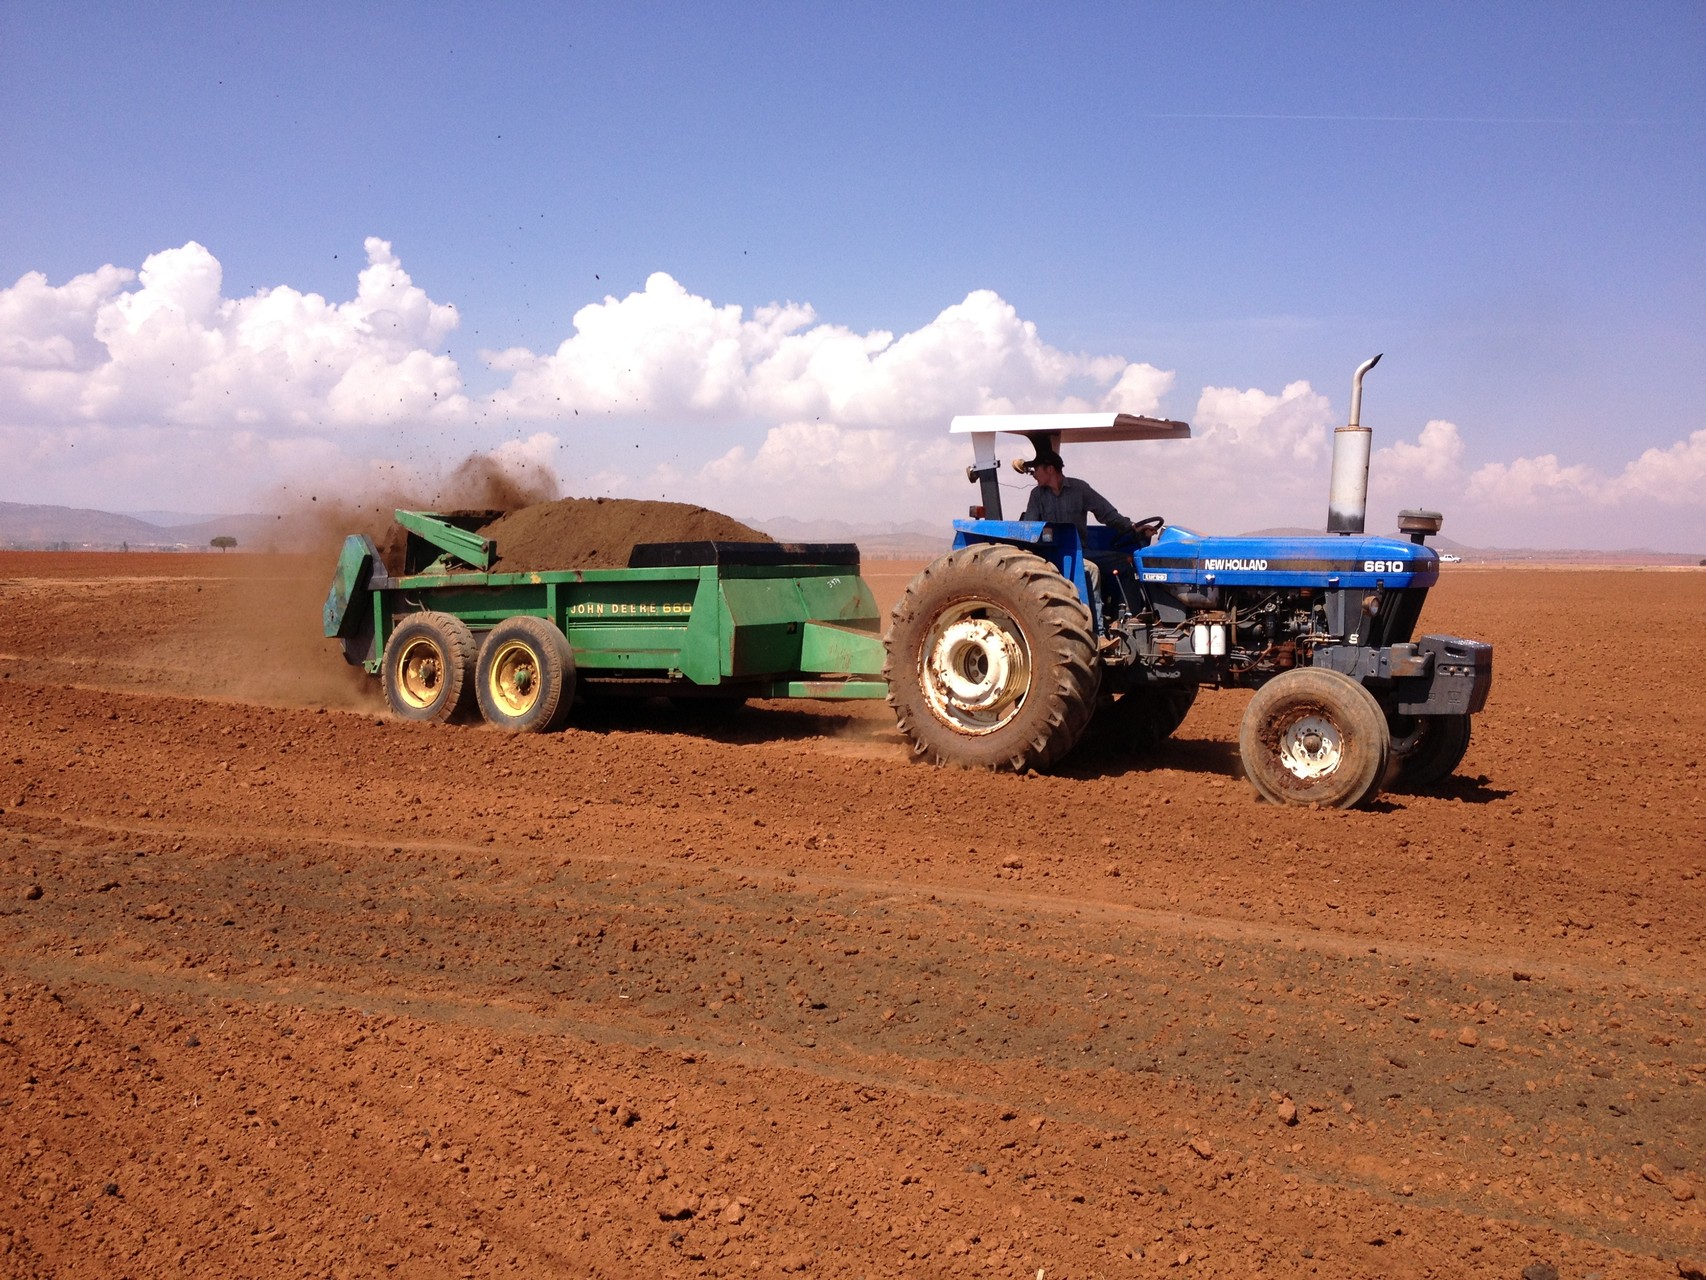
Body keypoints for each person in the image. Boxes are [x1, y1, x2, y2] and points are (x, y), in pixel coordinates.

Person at [1021, 449, 1138, 540]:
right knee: (1096, 569)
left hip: (1079, 552)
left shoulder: (1079, 489)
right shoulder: (1037, 495)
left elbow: (1107, 513)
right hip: (1050, 553)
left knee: (1120, 562)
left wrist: (1132, 527)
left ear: (1050, 469)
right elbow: (1029, 527)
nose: (1034, 474)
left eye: (1036, 469)